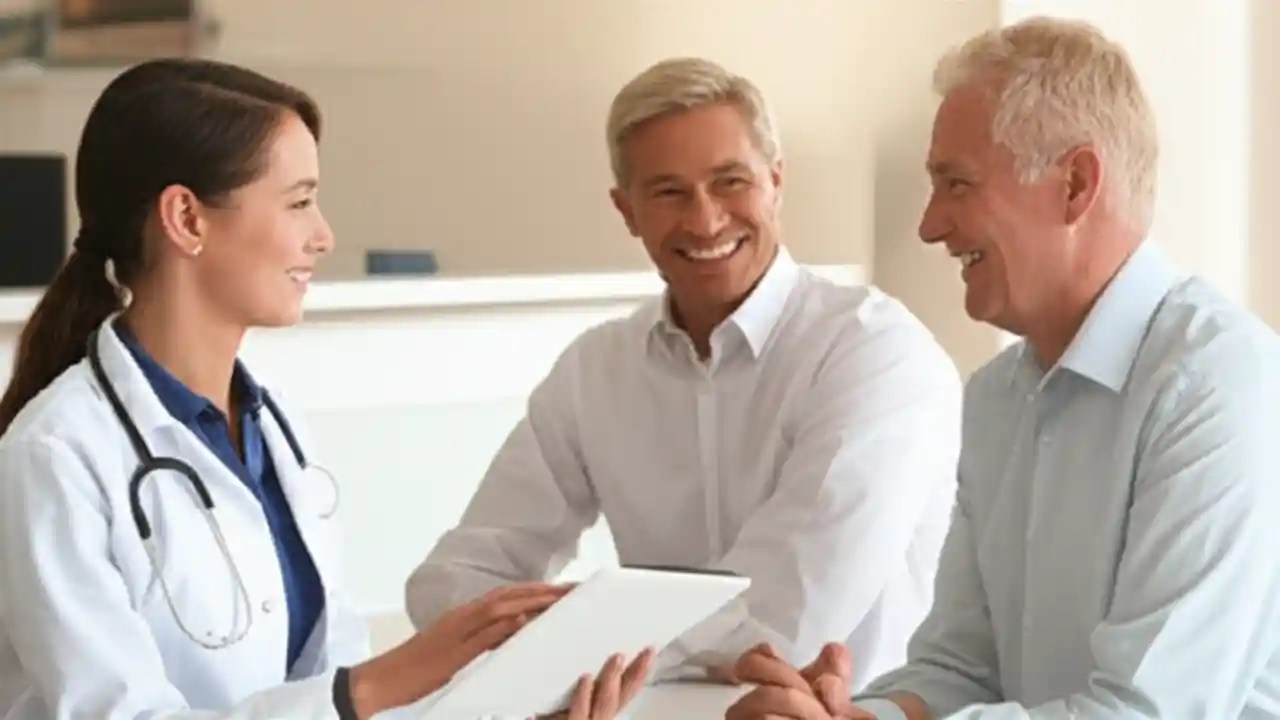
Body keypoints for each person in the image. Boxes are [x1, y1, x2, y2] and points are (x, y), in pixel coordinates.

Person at [0, 58, 649, 720]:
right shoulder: (55, 456)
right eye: (299, 202)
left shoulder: (272, 428)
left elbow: (327, 694)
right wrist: (375, 684)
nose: (323, 236)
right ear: (187, 219)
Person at [727, 16, 1280, 720]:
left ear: (1075, 184)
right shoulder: (995, 398)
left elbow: (1147, 714)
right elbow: (960, 669)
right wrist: (856, 715)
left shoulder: (1220, 385)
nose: (929, 225)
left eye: (956, 184)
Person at [404, 56, 962, 690]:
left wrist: (575, 637)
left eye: (730, 182)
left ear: (776, 182)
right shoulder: (595, 371)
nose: (705, 220)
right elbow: (454, 580)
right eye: (669, 192)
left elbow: (786, 617)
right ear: (626, 210)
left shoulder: (875, 351)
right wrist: (568, 631)